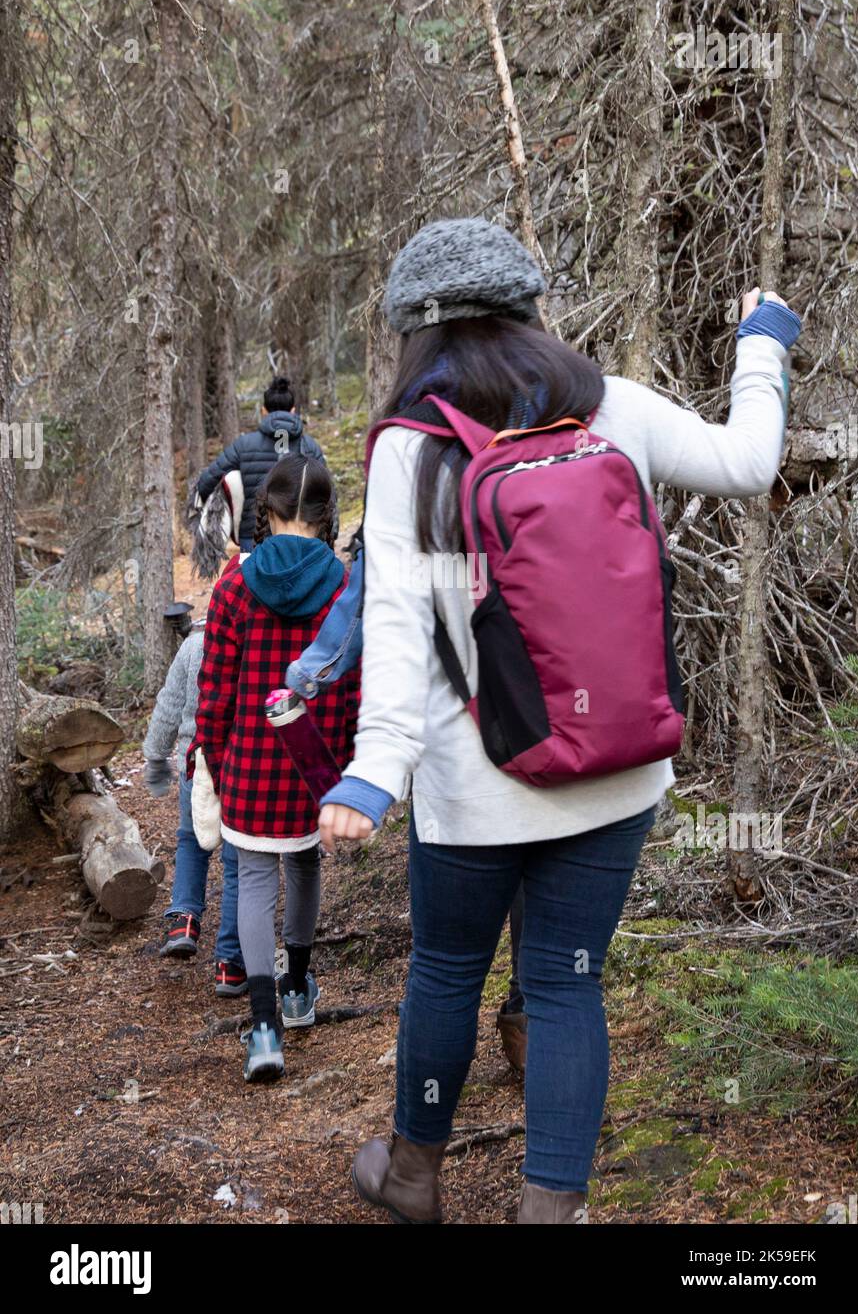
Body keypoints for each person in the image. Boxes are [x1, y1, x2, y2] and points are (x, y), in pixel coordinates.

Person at [316, 216, 801, 1224]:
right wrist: (760, 342)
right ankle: (552, 1211)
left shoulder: (412, 448)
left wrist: (375, 772)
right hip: (619, 767)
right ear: (532, 309)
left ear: (416, 335)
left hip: (477, 781)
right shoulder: (610, 406)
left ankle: (412, 1176)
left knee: (447, 971)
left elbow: (401, 626)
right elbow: (746, 463)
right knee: (568, 985)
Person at [189, 454, 360, 1083]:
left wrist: (211, 752)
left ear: (268, 510)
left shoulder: (234, 585)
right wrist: (348, 761)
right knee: (307, 861)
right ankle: (295, 987)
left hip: (250, 763)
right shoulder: (345, 586)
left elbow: (217, 687)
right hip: (317, 761)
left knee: (255, 877)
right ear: (325, 516)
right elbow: (352, 681)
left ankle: (263, 1029)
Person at [142, 625, 246, 997]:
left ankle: (183, 922)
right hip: (239, 761)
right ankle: (230, 964)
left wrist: (155, 755)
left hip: (194, 759)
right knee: (237, 862)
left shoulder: (192, 644)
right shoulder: (252, 635)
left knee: (190, 841)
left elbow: (169, 704)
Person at [195, 376, 327, 551]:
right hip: (301, 542)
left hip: (254, 540)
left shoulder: (244, 445)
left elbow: (207, 481)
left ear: (264, 411)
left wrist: (200, 509)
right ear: (293, 410)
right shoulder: (311, 447)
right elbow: (328, 496)